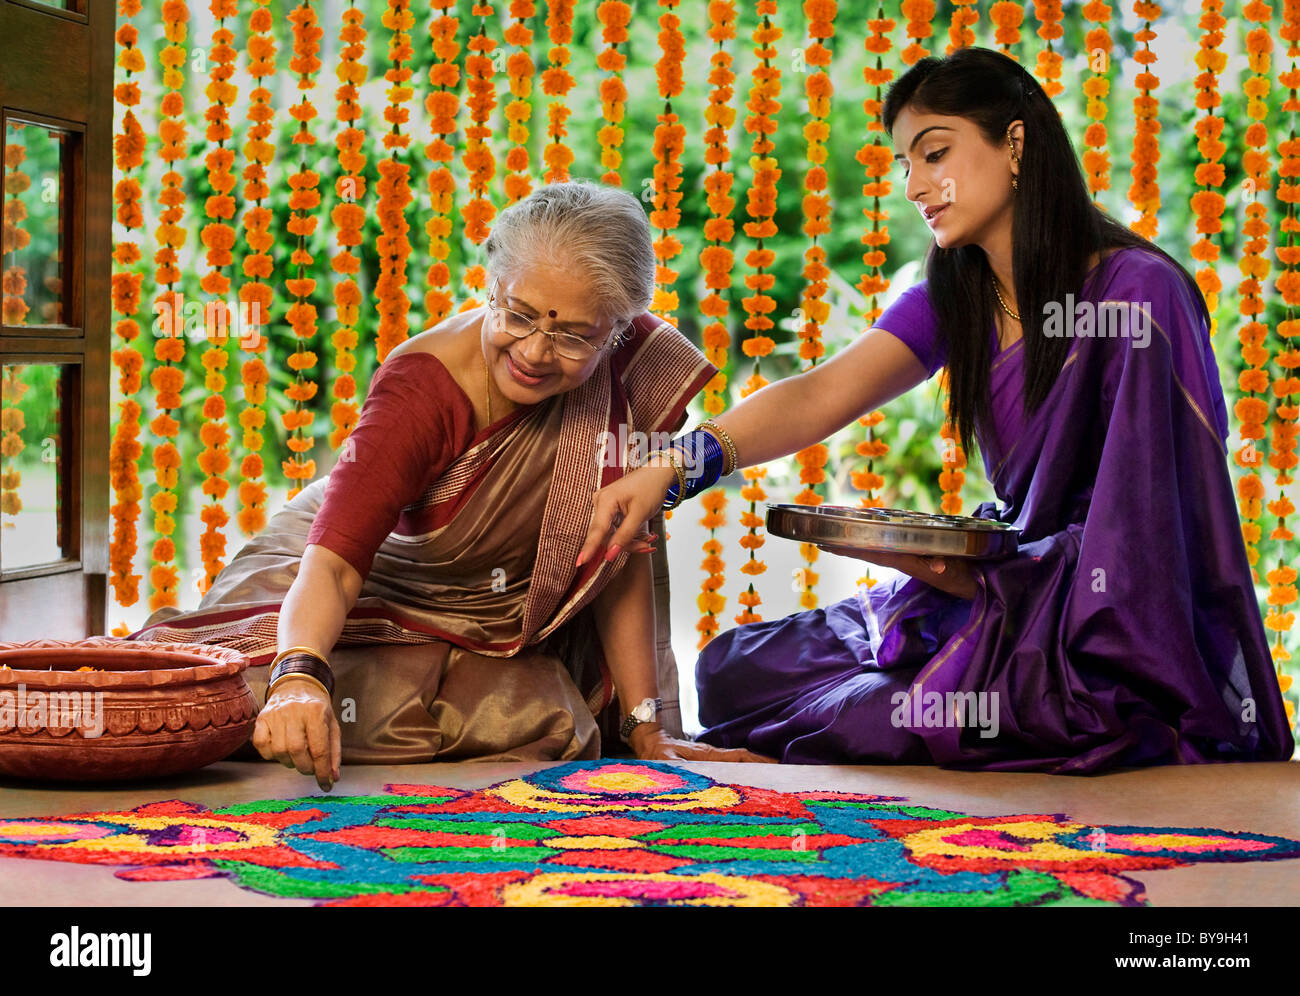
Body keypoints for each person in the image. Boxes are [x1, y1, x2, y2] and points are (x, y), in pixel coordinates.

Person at [577, 47, 1296, 774]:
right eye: (904, 165)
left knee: (876, 720)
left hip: (1092, 631)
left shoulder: (1138, 295)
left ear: (1015, 144)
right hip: (1000, 584)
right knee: (734, 670)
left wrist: (968, 577)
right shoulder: (961, 291)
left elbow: (1146, 546)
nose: (915, 185)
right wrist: (676, 464)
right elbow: (824, 392)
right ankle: (938, 669)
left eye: (934, 153)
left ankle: (948, 686)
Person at [127, 180, 773, 790]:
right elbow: (332, 570)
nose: (535, 351)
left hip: (499, 622)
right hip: (351, 577)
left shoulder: (631, 371)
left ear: (618, 329)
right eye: (517, 314)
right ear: (491, 282)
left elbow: (619, 549)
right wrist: (299, 674)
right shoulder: (421, 389)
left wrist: (646, 727)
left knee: (550, 715)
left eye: (573, 335)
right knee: (226, 696)